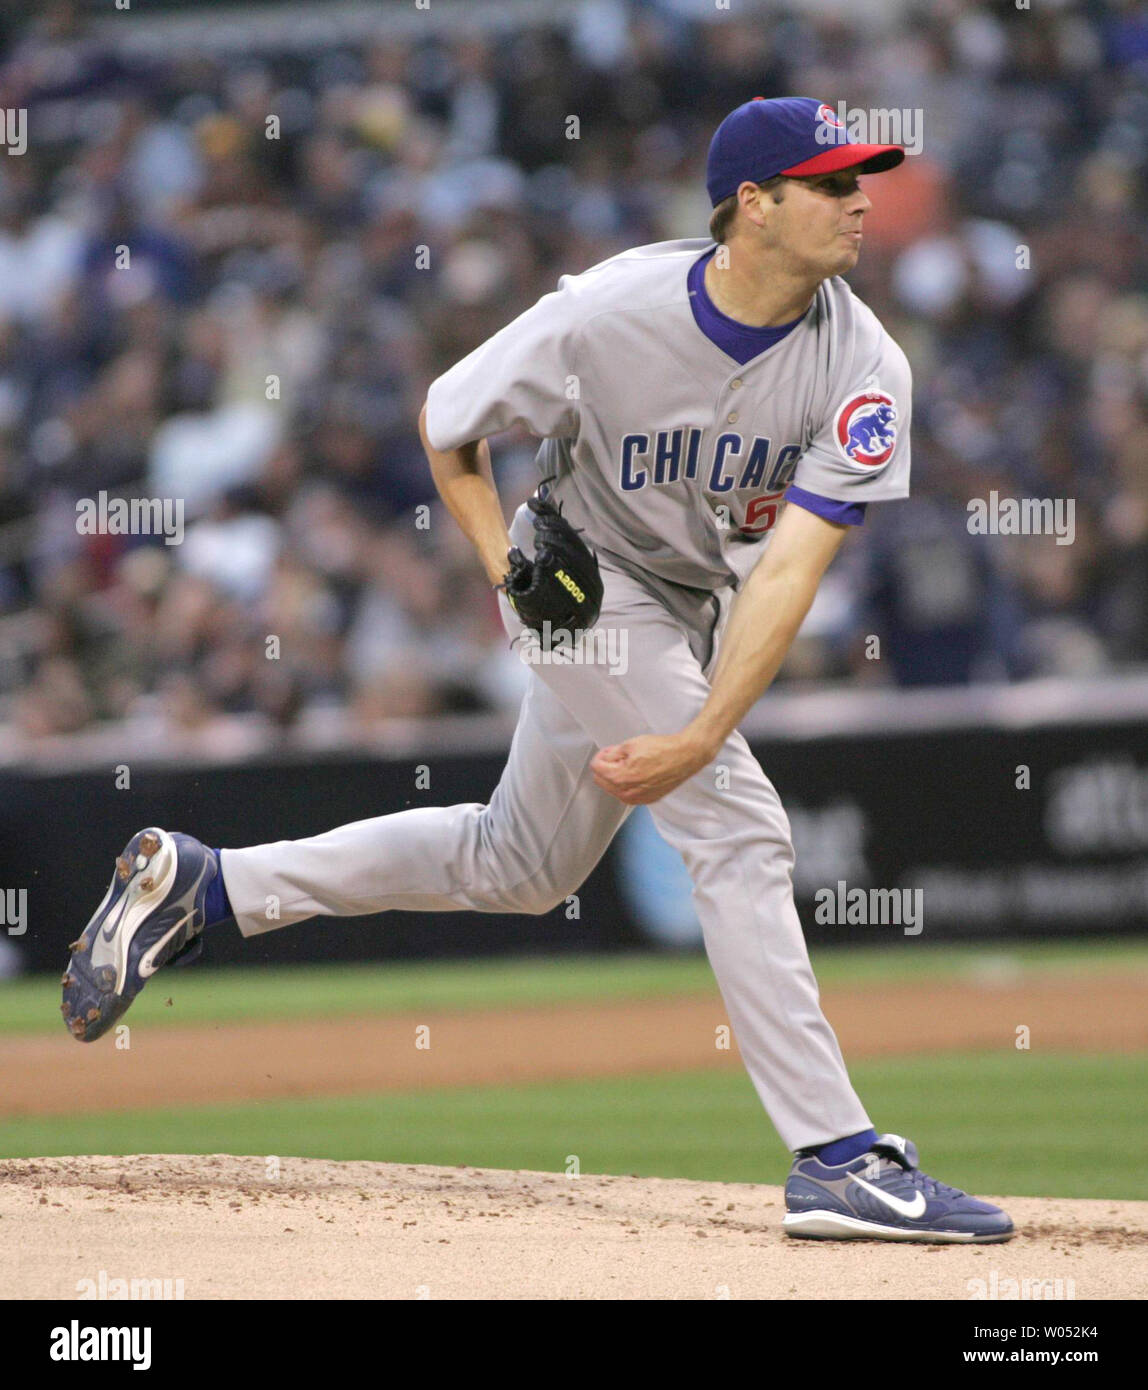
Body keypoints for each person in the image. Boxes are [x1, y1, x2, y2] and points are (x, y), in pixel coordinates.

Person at [62, 98, 1013, 1244]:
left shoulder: (864, 363)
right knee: (742, 830)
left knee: (515, 862)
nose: (861, 198)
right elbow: (447, 420)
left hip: (691, 604)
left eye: (860, 178)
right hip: (579, 583)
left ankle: (211, 887)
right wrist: (499, 562)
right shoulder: (608, 311)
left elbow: (786, 573)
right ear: (750, 206)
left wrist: (702, 728)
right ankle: (836, 1155)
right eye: (830, 183)